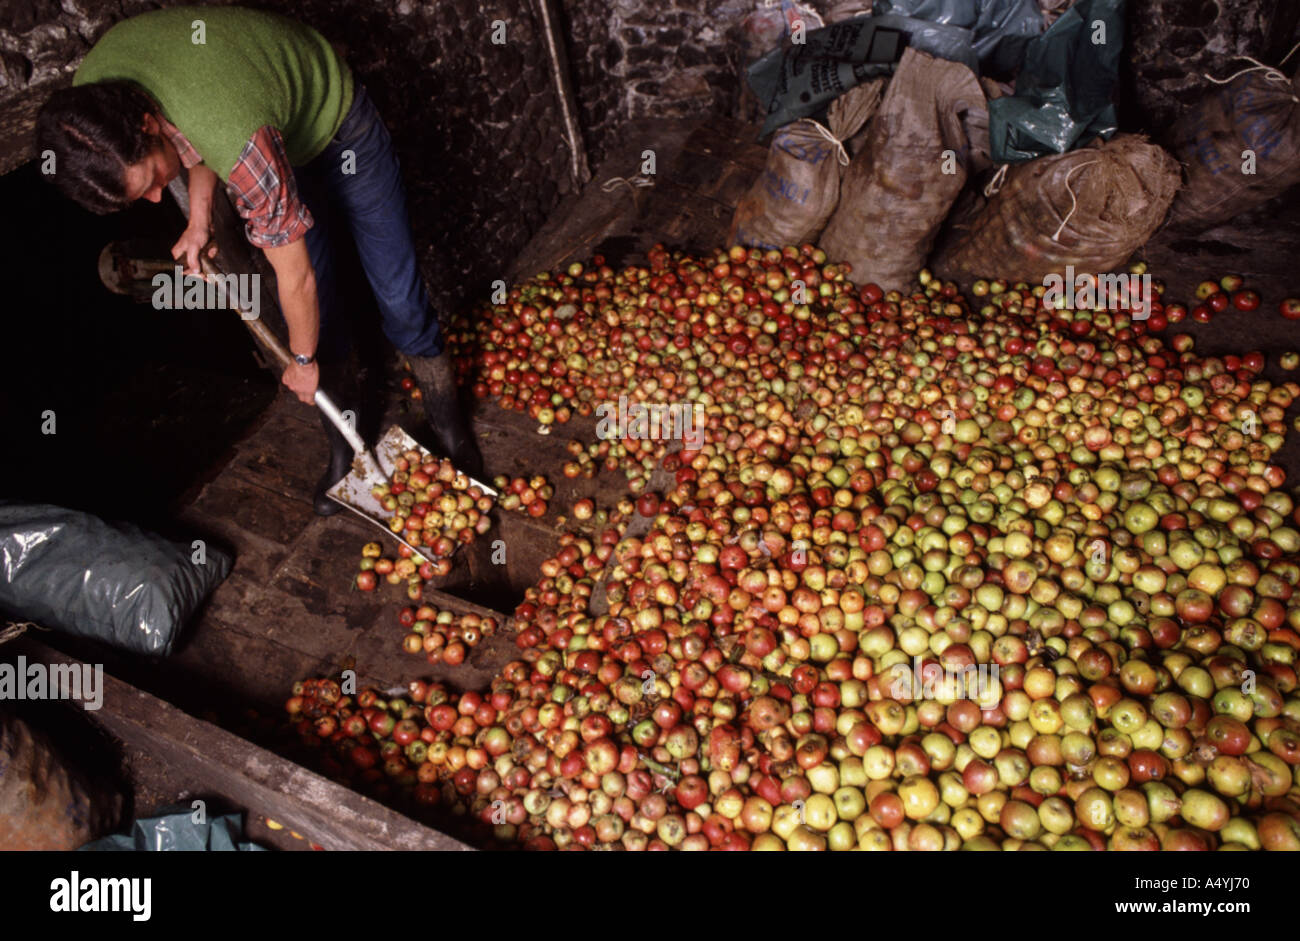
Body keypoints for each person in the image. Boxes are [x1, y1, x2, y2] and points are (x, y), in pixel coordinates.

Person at [36, 5, 483, 515]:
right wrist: (199, 219)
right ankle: (345, 450)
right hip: (263, 131)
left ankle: (451, 428)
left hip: (336, 124)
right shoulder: (89, 107)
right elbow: (195, 141)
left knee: (397, 296)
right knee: (323, 320)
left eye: (155, 181)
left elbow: (295, 277)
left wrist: (300, 363)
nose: (159, 198)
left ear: (145, 123)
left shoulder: (237, 134)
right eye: (142, 196)